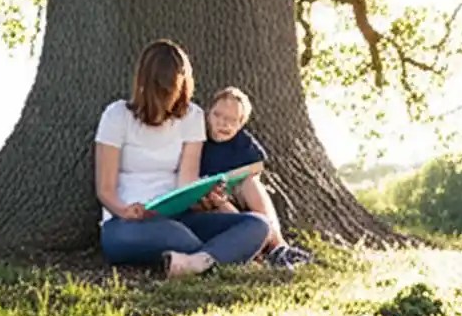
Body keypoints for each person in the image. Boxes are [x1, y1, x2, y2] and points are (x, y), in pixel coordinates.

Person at [95, 40, 269, 278]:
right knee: (177, 236)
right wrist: (124, 210)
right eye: (162, 92)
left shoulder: (192, 117)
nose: (166, 101)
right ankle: (220, 254)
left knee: (258, 225)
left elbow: (186, 183)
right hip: (127, 224)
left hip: (179, 216)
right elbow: (105, 190)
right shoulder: (116, 116)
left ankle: (195, 263)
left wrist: (205, 199)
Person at [197, 86, 313, 268]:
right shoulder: (198, 137)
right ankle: (255, 248)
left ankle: (277, 246)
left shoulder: (242, 143)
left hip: (232, 187)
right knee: (218, 201)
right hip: (207, 197)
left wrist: (240, 179)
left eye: (231, 120)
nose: (222, 124)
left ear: (241, 124)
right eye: (217, 116)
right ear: (208, 114)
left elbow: (257, 165)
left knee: (251, 182)